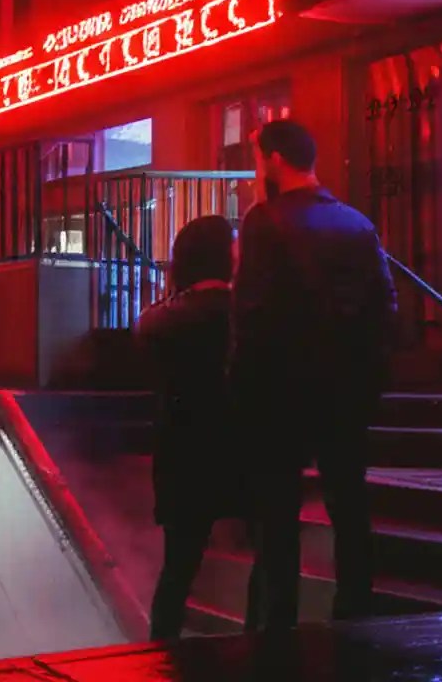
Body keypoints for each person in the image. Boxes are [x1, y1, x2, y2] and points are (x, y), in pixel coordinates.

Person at [231, 120, 397, 630]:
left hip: (281, 393)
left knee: (277, 513)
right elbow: (384, 308)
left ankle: (276, 625)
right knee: (348, 502)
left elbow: (253, 314)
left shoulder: (265, 222)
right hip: (343, 390)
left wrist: (241, 391)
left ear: (275, 160)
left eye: (259, 158)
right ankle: (355, 612)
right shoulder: (356, 224)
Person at [134, 215, 244, 641]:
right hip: (237, 448)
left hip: (181, 454)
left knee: (177, 569)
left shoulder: (163, 320)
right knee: (268, 559)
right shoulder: (244, 314)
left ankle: (159, 655)